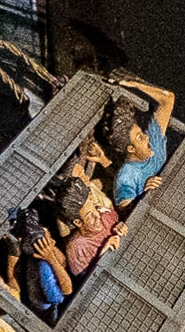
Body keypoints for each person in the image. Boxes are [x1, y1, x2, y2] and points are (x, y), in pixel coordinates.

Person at [97, 77, 176, 215]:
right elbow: (123, 210)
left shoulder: (152, 141)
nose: (146, 137)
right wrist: (144, 192)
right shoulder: (126, 176)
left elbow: (168, 99)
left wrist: (135, 84)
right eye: (140, 137)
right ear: (131, 149)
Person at [52, 173, 126, 279]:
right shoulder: (76, 249)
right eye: (89, 217)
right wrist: (104, 253)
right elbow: (90, 285)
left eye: (95, 209)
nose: (97, 216)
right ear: (78, 222)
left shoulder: (105, 215)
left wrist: (122, 227)